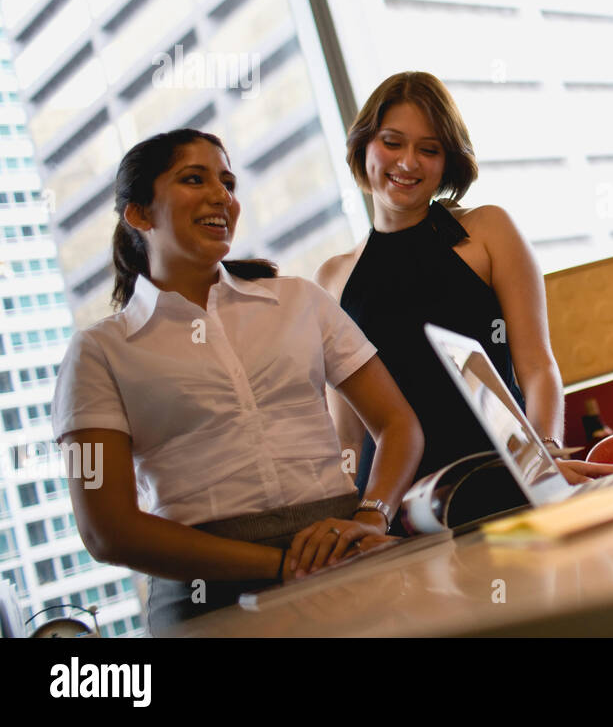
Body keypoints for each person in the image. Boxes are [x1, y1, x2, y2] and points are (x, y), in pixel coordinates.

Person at [52, 129, 423, 633]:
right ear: (139, 213)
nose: (221, 196)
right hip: (207, 596)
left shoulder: (300, 301)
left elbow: (398, 423)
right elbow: (106, 530)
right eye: (193, 178)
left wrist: (370, 517)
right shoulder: (96, 353)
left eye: (228, 182)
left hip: (347, 557)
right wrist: (284, 566)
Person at [316, 72, 613, 492]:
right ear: (364, 144)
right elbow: (346, 431)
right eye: (392, 142)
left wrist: (543, 456)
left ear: (447, 160)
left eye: (429, 149)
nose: (407, 162)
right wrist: (349, 515)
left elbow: (537, 365)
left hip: (501, 478)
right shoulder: (332, 277)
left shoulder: (488, 230)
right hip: (397, 508)